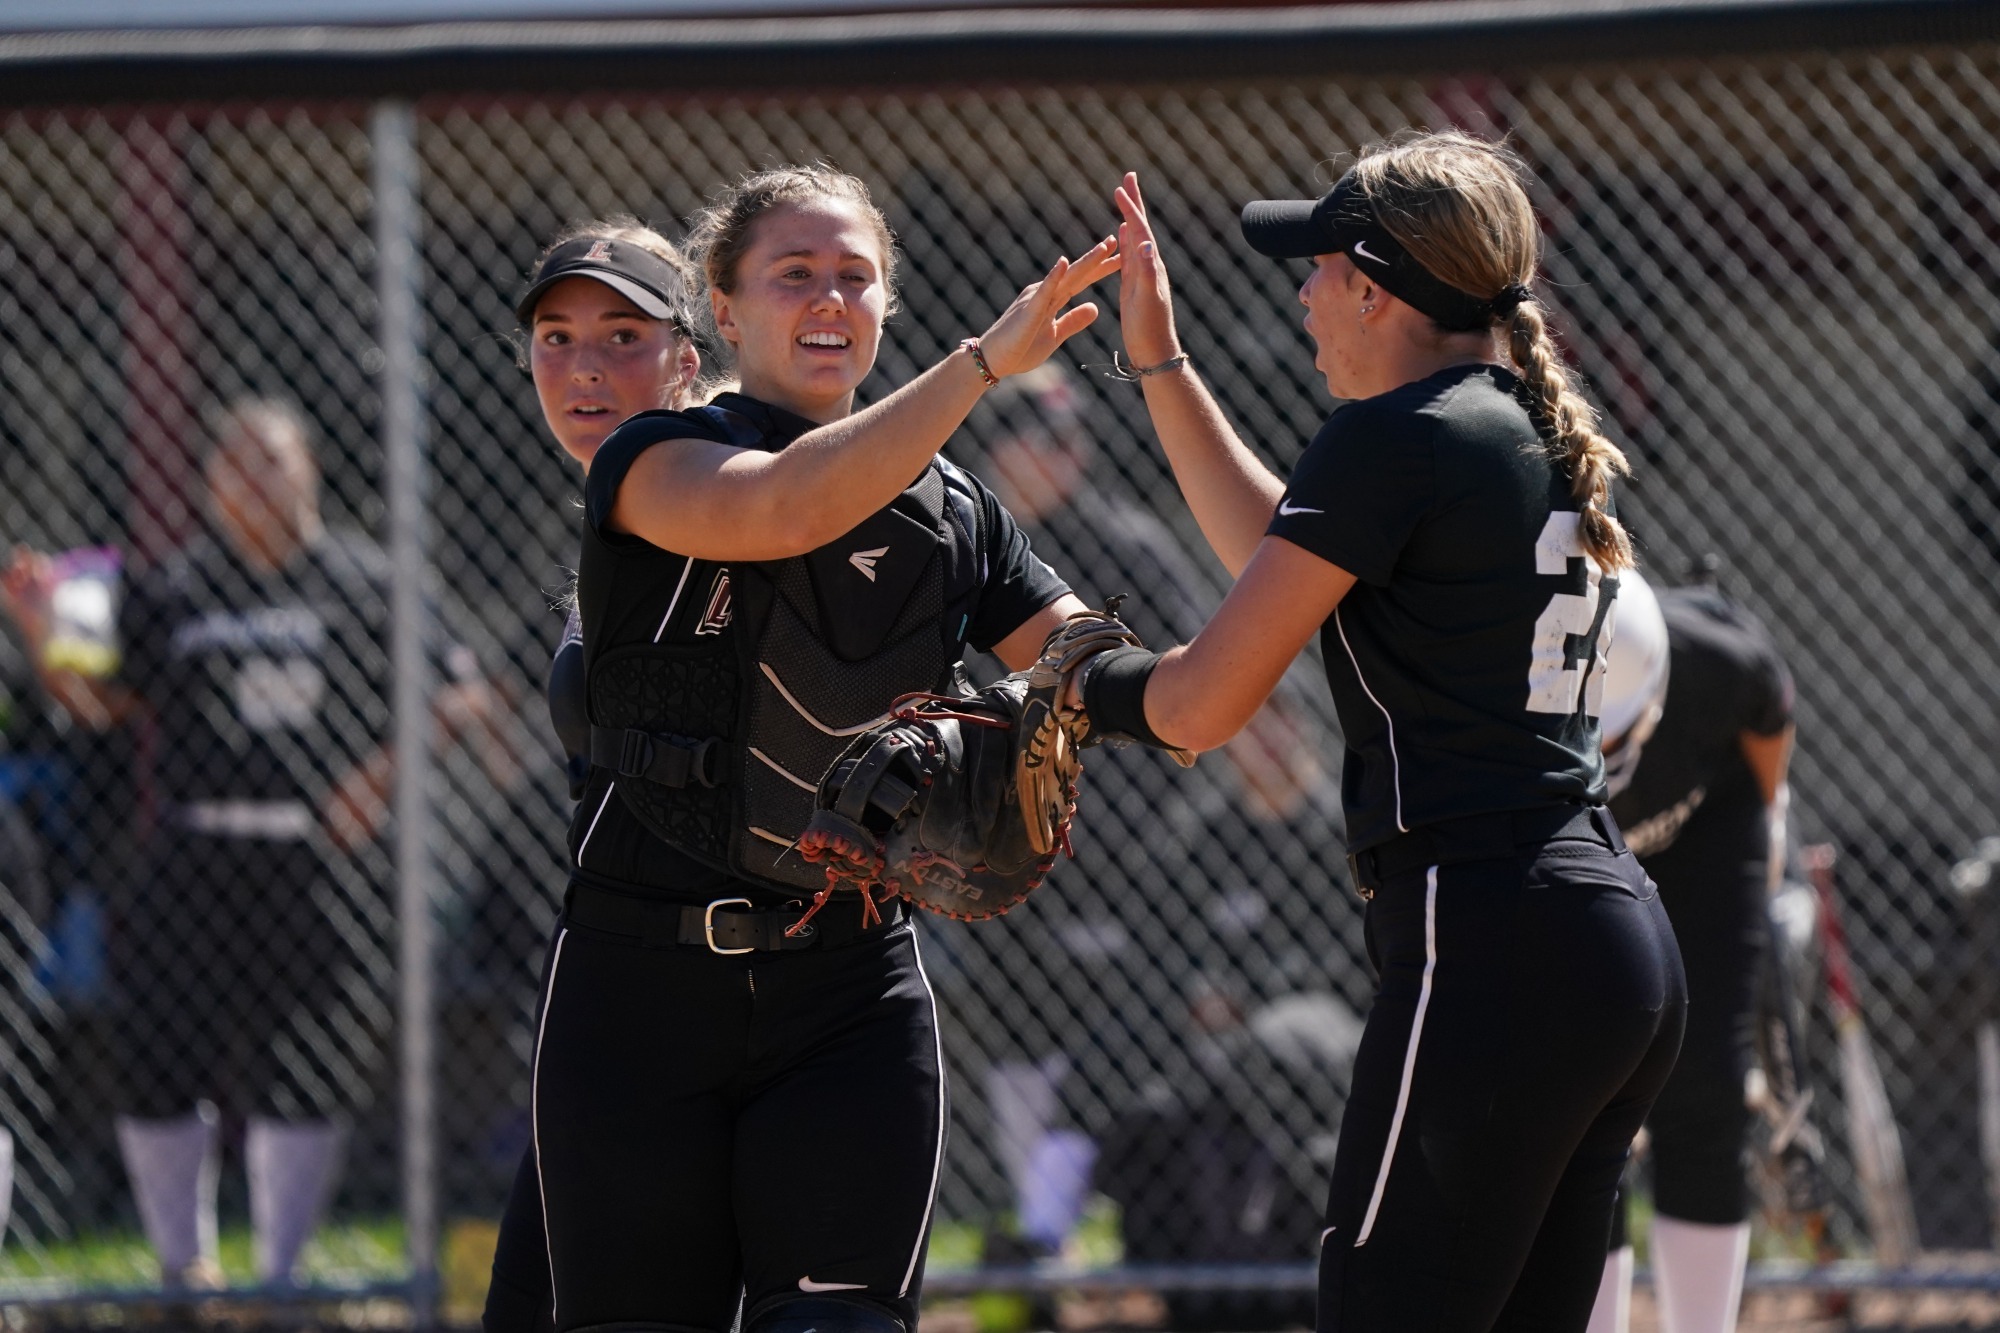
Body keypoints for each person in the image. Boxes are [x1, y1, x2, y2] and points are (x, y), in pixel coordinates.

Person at [1072, 130, 1687, 1330]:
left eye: (1315, 268)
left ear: (1372, 284)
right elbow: (1283, 562)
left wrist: (1057, 686)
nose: (1300, 294)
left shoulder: (1397, 433)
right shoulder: (1505, 420)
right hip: (1602, 936)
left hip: (1490, 933)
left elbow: (1204, 699)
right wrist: (1160, 364)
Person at [520, 165, 1115, 1333]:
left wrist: (1302, 571)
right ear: (723, 310)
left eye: (855, 276)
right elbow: (783, 508)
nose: (829, 298)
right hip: (638, 993)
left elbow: (1130, 681)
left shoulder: (952, 509)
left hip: (846, 985)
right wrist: (982, 364)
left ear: (889, 302)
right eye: (794, 275)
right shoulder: (658, 457)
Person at [0, 399, 496, 1288]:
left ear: (307, 466)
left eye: (267, 459)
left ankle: (280, 1273)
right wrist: (46, 632)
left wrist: (376, 777)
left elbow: (464, 696)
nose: (248, 478)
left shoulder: (369, 579)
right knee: (157, 1052)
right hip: (193, 850)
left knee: (307, 1061)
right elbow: (98, 707)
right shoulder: (177, 587)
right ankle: (183, 1269)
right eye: (229, 462)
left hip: (321, 859)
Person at [477, 216, 712, 1333]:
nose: (581, 365)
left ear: (687, 359)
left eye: (623, 334)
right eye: (556, 336)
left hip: (721, 994)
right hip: (611, 986)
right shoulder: (606, 515)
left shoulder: (719, 499)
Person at [1584, 569, 1794, 1333]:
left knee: (1708, 1084)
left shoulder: (1710, 656)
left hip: (1708, 827)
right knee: (1578, 1095)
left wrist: (1768, 825)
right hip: (1572, 848)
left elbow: (1771, 713)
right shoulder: (1507, 670)